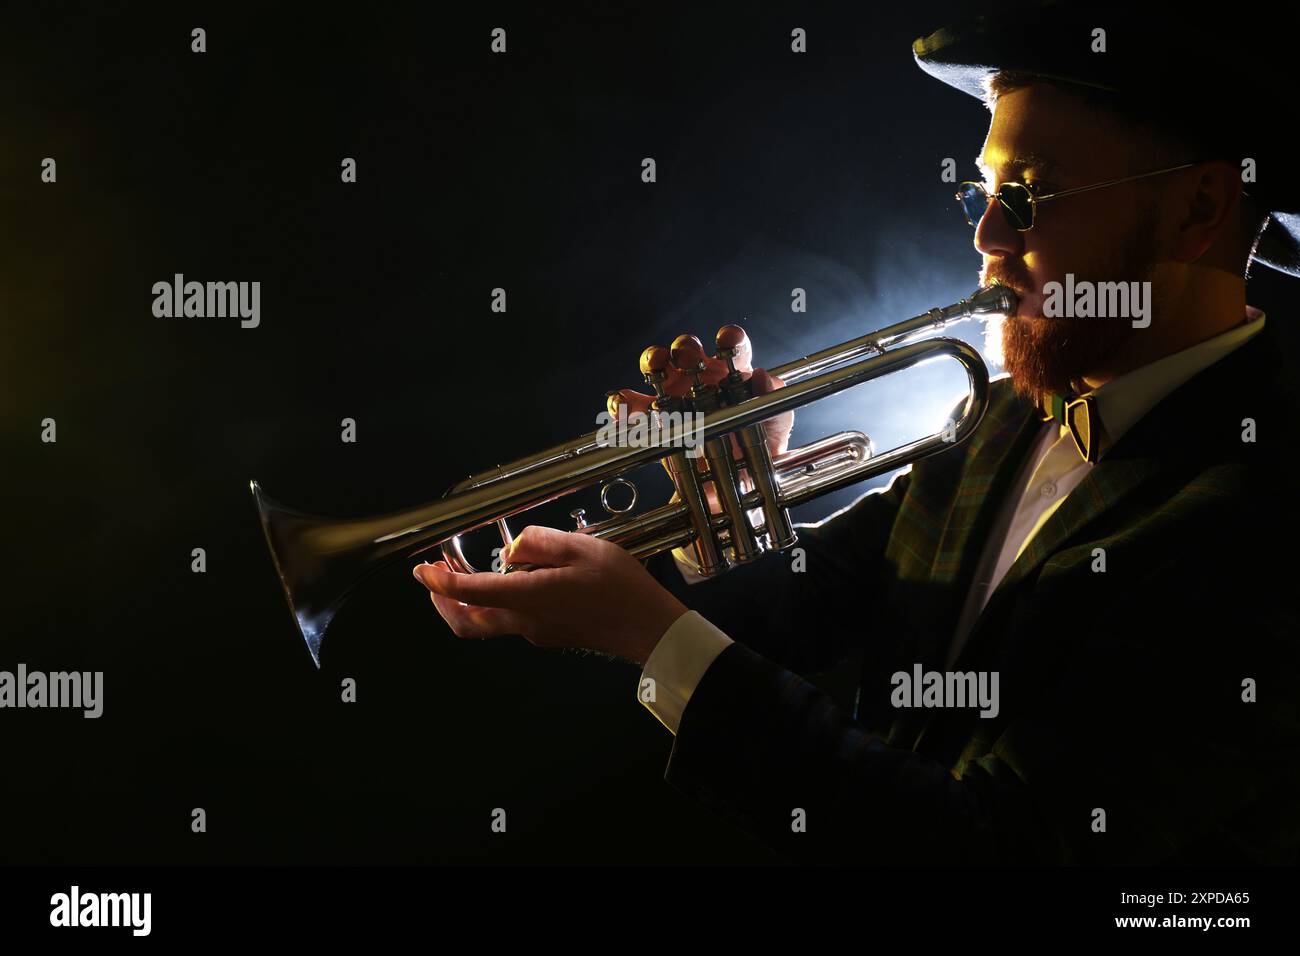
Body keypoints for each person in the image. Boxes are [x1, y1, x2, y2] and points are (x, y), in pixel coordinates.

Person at [413, 1, 1300, 863]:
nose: (987, 236)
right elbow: (809, 608)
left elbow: (992, 845)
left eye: (1031, 197)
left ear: (1199, 212)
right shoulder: (998, 415)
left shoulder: (1262, 523)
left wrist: (654, 636)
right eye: (981, 192)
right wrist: (720, 523)